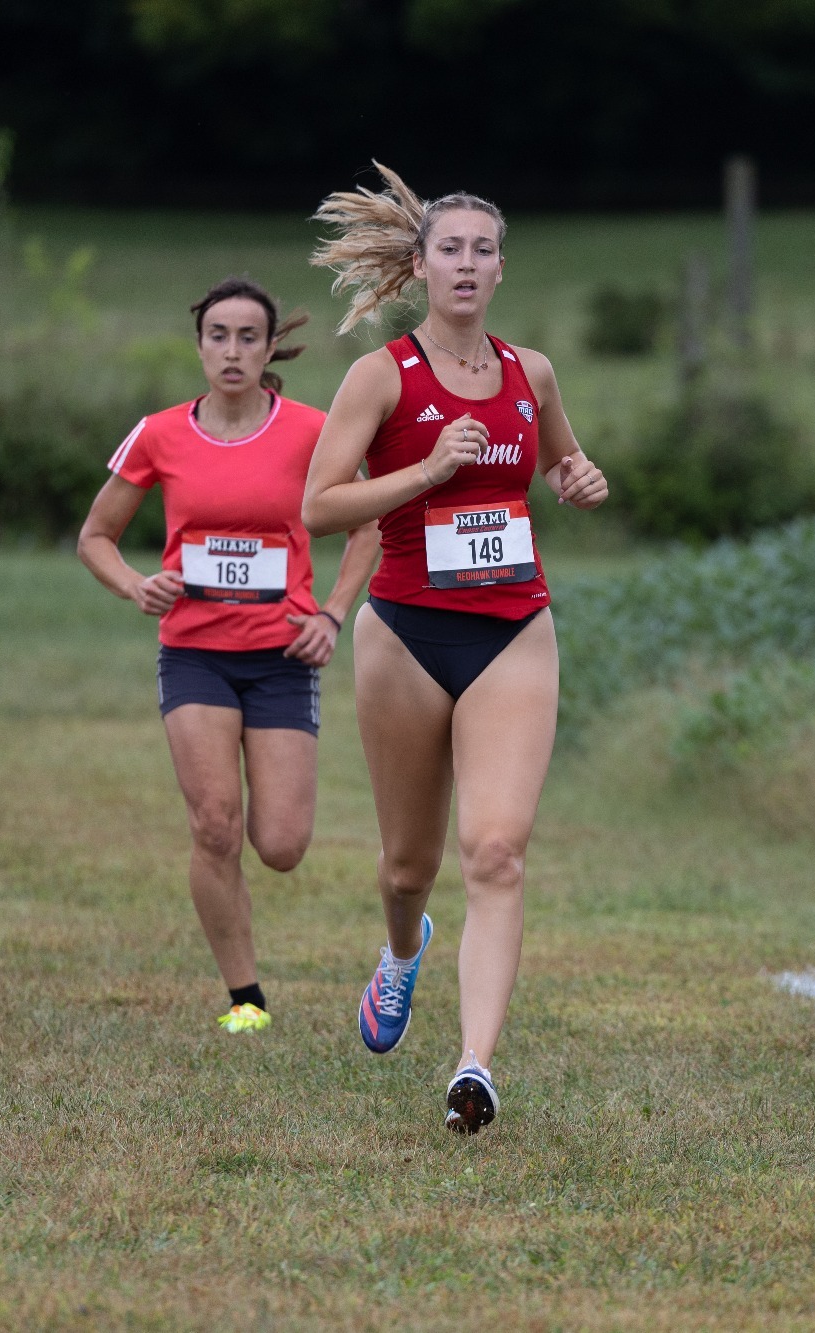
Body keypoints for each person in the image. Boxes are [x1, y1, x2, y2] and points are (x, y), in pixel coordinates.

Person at [302, 165, 609, 1134]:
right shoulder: (381, 376)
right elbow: (318, 504)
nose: (466, 264)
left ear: (500, 268)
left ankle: (473, 1067)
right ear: (421, 265)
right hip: (404, 630)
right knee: (408, 866)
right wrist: (428, 469)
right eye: (450, 249)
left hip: (514, 627)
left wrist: (575, 474)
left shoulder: (532, 373)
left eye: (482, 250)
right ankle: (401, 954)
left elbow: (558, 454)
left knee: (497, 848)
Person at [78, 276, 380, 1035]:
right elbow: (95, 538)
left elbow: (371, 526)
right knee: (214, 824)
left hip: (283, 656)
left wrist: (334, 613)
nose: (233, 350)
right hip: (194, 655)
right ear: (200, 346)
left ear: (272, 347)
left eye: (250, 336)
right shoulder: (159, 434)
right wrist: (135, 586)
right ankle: (245, 997)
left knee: (280, 844)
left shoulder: (314, 431)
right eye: (219, 335)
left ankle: (253, 975)